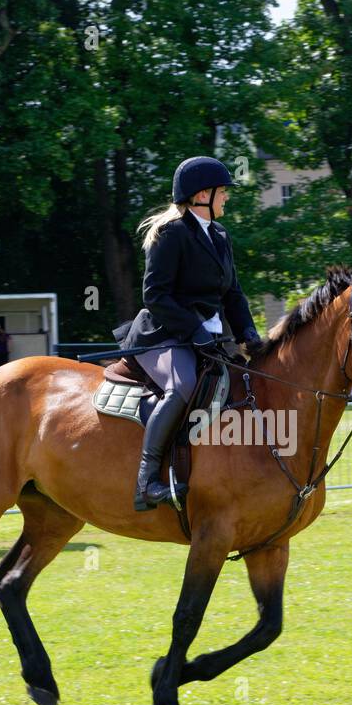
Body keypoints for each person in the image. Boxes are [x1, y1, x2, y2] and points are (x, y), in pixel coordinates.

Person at [114, 156, 263, 511]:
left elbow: (233, 293)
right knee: (181, 387)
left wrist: (248, 332)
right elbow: (156, 296)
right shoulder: (171, 233)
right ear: (201, 195)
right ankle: (147, 481)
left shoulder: (220, 236)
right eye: (222, 191)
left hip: (209, 339)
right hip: (164, 336)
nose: (226, 197)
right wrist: (194, 330)